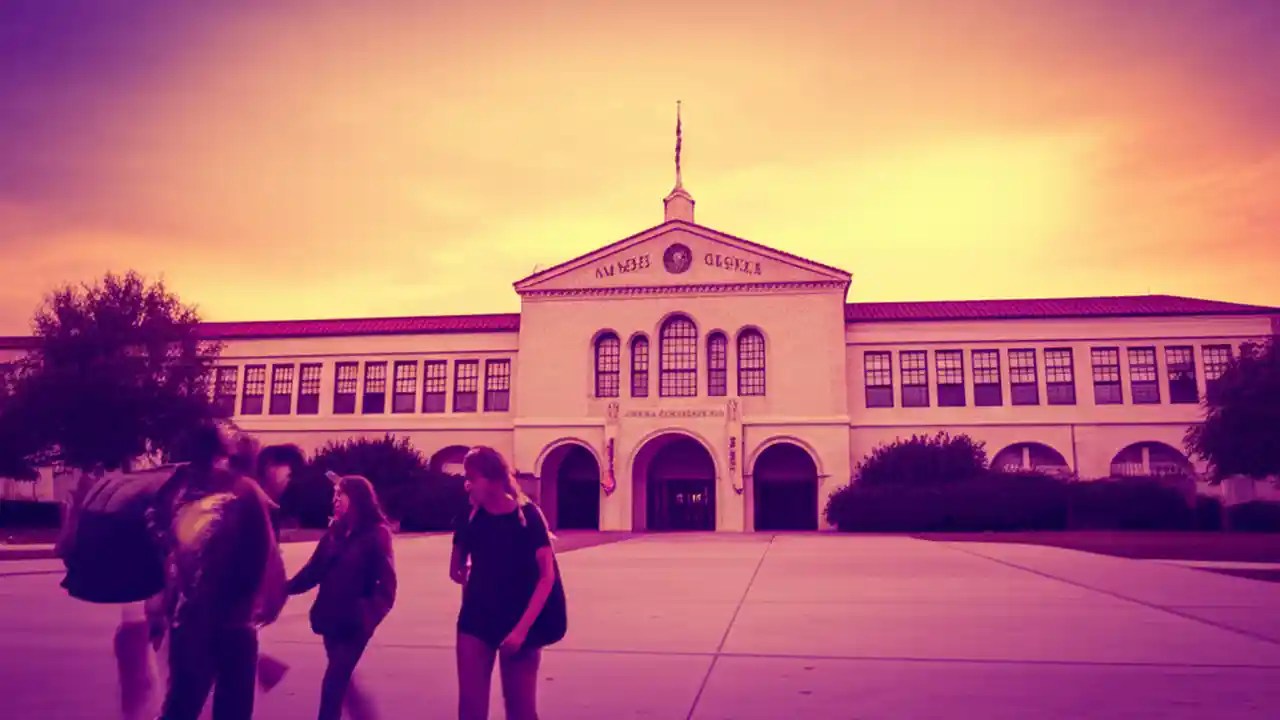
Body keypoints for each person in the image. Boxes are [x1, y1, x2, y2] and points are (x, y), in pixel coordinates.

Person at [151, 422, 285, 720]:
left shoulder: (176, 489)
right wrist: (261, 602)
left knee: (181, 703)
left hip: (186, 618)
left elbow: (159, 536)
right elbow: (263, 552)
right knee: (233, 705)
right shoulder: (243, 491)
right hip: (232, 620)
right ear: (220, 454)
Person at [451, 446, 567, 720]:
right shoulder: (470, 516)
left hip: (520, 623)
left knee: (521, 709)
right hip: (475, 621)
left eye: (472, 477)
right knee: (470, 708)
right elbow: (456, 569)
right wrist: (466, 574)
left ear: (492, 479)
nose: (467, 484)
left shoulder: (528, 516)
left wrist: (520, 631)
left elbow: (546, 576)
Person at [287, 475, 397, 720]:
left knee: (333, 684)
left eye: (340, 495)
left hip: (356, 624)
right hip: (331, 620)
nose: (335, 500)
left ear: (357, 498)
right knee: (341, 680)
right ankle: (365, 715)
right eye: (334, 495)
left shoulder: (377, 534)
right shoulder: (335, 533)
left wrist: (367, 615)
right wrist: (283, 589)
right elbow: (313, 570)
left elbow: (387, 586)